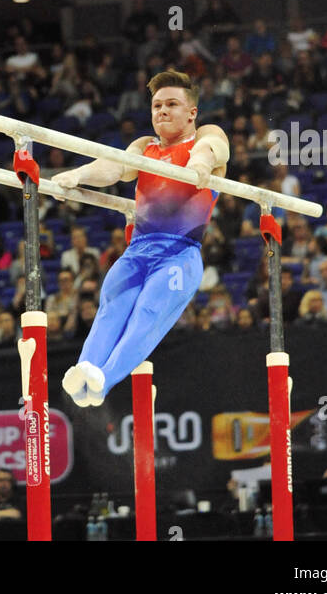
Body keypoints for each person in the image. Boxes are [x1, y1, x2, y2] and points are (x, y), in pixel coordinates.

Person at [52, 70, 229, 406]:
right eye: (156, 105)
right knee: (110, 310)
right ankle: (85, 371)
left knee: (147, 312)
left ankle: (102, 381)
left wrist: (201, 166)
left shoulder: (204, 137)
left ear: (192, 113)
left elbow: (212, 149)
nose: (161, 110)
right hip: (137, 252)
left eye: (172, 104)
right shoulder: (144, 147)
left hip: (179, 255)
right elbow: (115, 168)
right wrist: (78, 176)